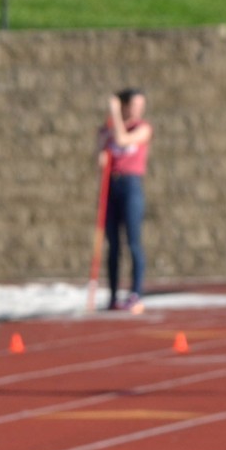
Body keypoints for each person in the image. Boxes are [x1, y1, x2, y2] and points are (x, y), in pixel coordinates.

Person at [96, 88, 152, 312]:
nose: (139, 109)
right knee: (113, 245)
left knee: (133, 242)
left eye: (141, 105)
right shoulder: (108, 129)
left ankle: (135, 293)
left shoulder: (143, 128)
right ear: (125, 105)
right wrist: (101, 149)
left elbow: (122, 139)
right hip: (111, 185)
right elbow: (100, 157)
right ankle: (112, 296)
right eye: (135, 105)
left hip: (131, 186)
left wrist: (115, 114)